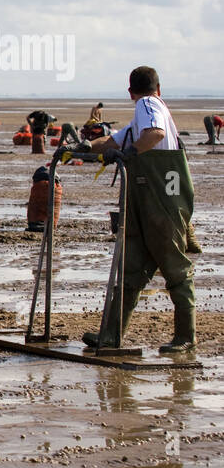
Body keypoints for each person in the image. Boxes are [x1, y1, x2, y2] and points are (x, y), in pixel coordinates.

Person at [86, 66, 195, 353]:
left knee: (175, 270)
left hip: (163, 203)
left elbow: (155, 134)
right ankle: (109, 336)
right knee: (131, 270)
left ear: (131, 92)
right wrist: (82, 149)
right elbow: (111, 141)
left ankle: (186, 336)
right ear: (159, 88)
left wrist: (129, 154)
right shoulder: (140, 117)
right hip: (143, 205)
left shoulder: (148, 105)